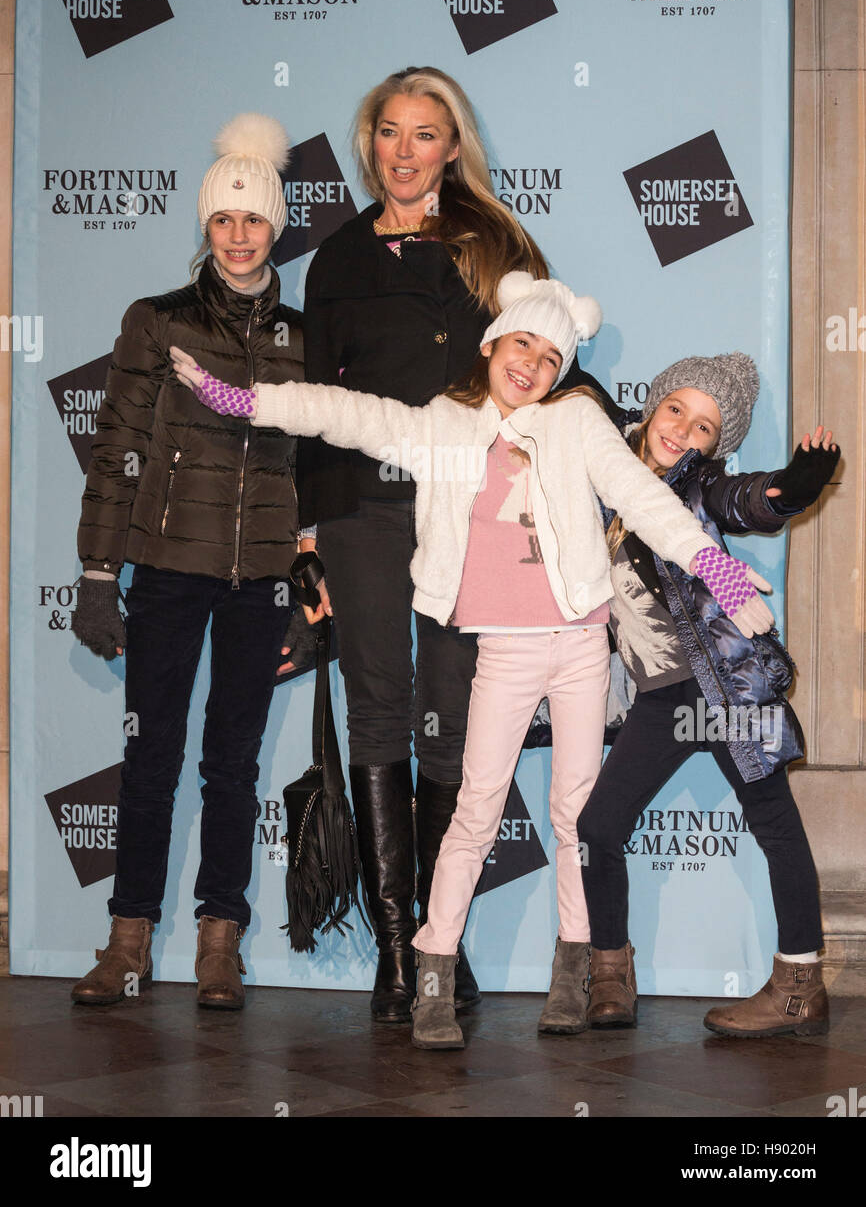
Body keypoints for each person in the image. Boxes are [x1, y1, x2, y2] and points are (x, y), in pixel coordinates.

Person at [170, 272, 771, 1047]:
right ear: (492, 343)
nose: (533, 364)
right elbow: (344, 411)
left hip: (582, 647)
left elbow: (644, 499)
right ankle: (433, 974)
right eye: (522, 342)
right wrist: (246, 400)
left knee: (574, 816)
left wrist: (713, 565)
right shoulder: (443, 426)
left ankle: (573, 971)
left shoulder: (576, 425)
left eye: (552, 356)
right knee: (474, 811)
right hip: (505, 653)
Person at [294, 65, 616, 1022]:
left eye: (424, 133)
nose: (403, 149)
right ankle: (400, 955)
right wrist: (306, 540)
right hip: (359, 506)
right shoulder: (338, 257)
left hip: (463, 506)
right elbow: (315, 405)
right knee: (378, 711)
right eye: (387, 131)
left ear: (452, 145)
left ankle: (443, 940)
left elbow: (543, 370)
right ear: (370, 145)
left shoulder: (498, 244)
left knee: (450, 722)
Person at [69, 113, 304, 1011]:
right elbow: (116, 444)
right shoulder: (155, 321)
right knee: (150, 760)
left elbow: (317, 464)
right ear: (204, 228)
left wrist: (308, 580)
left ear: (275, 227)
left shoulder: (303, 335)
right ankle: (127, 944)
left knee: (233, 766)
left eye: (254, 221)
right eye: (222, 220)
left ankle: (220, 945)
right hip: (166, 571)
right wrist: (98, 576)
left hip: (261, 581)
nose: (239, 236)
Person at [577, 353, 839, 1037]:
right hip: (662, 698)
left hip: (726, 680)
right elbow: (567, 380)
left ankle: (798, 987)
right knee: (599, 828)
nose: (684, 432)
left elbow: (746, 498)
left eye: (704, 428)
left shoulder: (699, 486)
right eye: (676, 411)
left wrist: (791, 491)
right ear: (652, 406)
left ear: (712, 449)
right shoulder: (603, 467)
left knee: (775, 822)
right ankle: (609, 971)